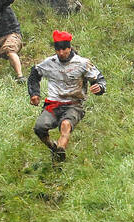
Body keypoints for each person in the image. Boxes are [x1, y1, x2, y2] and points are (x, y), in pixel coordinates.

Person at [27, 30, 106, 162]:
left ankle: (61, 151)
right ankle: (53, 147)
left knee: (65, 124)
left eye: (64, 49)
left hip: (74, 105)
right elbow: (34, 75)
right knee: (39, 128)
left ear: (69, 47)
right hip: (53, 104)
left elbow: (99, 79)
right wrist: (34, 93)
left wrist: (99, 88)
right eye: (58, 50)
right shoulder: (49, 63)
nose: (61, 53)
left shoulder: (82, 63)